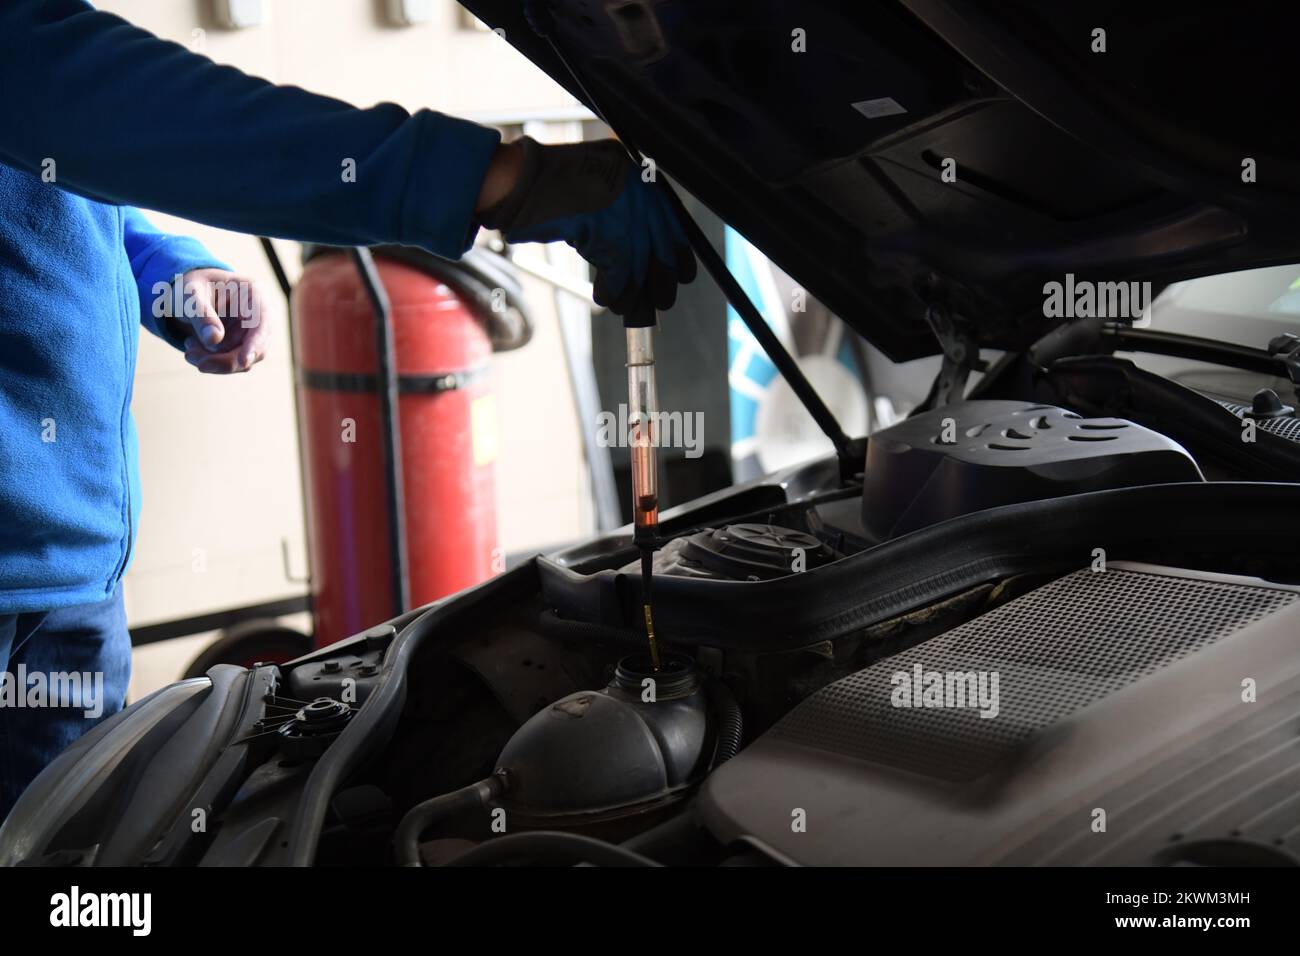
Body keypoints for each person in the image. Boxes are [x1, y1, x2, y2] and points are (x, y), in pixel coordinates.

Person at [0, 0, 696, 819]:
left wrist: (172, 268)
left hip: (73, 567)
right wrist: (503, 181)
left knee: (69, 854)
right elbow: (112, 107)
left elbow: (68, 180)